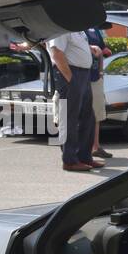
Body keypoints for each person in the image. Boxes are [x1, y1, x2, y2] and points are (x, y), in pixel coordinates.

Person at [47, 29, 101, 171]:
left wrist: (89, 49)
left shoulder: (76, 28)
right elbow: (56, 53)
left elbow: (73, 48)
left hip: (83, 74)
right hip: (71, 74)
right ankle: (69, 160)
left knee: (88, 117)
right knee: (69, 119)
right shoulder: (59, 28)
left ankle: (84, 157)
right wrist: (71, 79)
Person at [85, 25, 111, 159]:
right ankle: (84, 149)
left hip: (96, 77)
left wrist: (101, 71)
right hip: (81, 77)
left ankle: (96, 146)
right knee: (81, 114)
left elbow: (101, 50)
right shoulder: (75, 29)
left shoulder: (94, 29)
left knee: (97, 113)